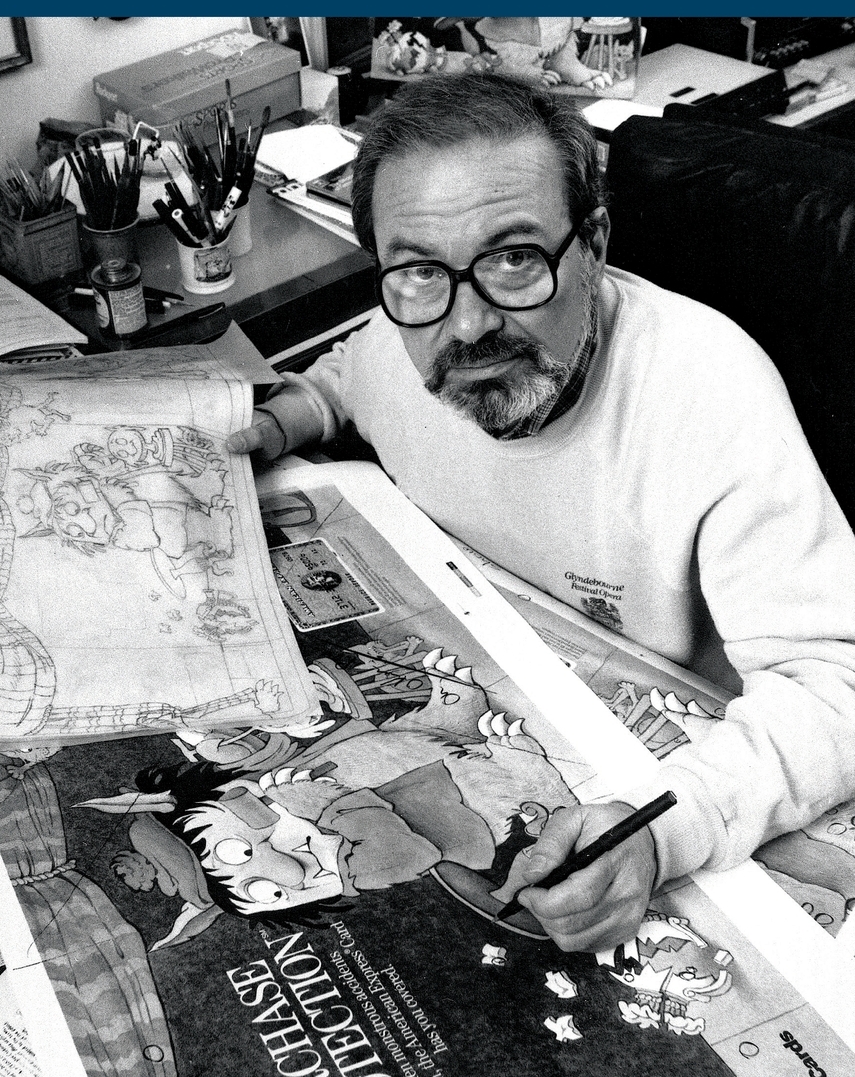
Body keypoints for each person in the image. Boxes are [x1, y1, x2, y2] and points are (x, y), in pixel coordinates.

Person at [227, 71, 855, 954]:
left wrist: (661, 831)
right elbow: (349, 374)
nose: (467, 325)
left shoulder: (712, 393)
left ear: (591, 243)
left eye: (514, 258)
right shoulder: (403, 337)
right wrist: (286, 418)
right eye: (418, 271)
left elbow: (838, 685)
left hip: (691, 753)